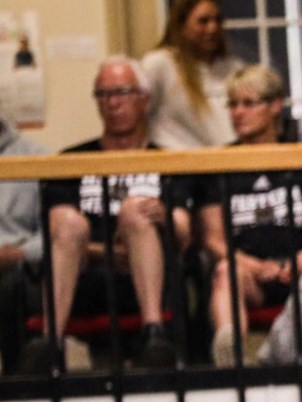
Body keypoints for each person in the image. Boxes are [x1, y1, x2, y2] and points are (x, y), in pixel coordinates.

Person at [27, 57, 192, 373]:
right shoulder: (72, 161)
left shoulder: (169, 162)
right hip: (83, 280)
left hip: (149, 282)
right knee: (71, 222)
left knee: (135, 210)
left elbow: (184, 235)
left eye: (123, 92)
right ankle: (51, 340)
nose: (113, 103)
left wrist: (163, 217)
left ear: (144, 100)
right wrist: (107, 254)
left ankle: (153, 335)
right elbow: (59, 233)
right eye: (103, 95)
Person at [197, 65, 302, 368]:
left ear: (275, 106)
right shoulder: (218, 165)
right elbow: (213, 240)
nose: (238, 113)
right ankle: (232, 354)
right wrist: (253, 265)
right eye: (233, 105)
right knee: (225, 271)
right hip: (248, 273)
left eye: (248, 103)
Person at [141, 0, 243, 149]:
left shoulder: (234, 68)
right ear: (181, 25)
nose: (212, 28)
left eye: (217, 20)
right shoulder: (160, 64)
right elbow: (137, 116)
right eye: (203, 21)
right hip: (178, 163)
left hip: (229, 160)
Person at [0, 111, 47, 375]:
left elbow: (54, 234)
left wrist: (19, 254)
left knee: (12, 287)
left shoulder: (36, 157)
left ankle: (20, 385)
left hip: (20, 268)